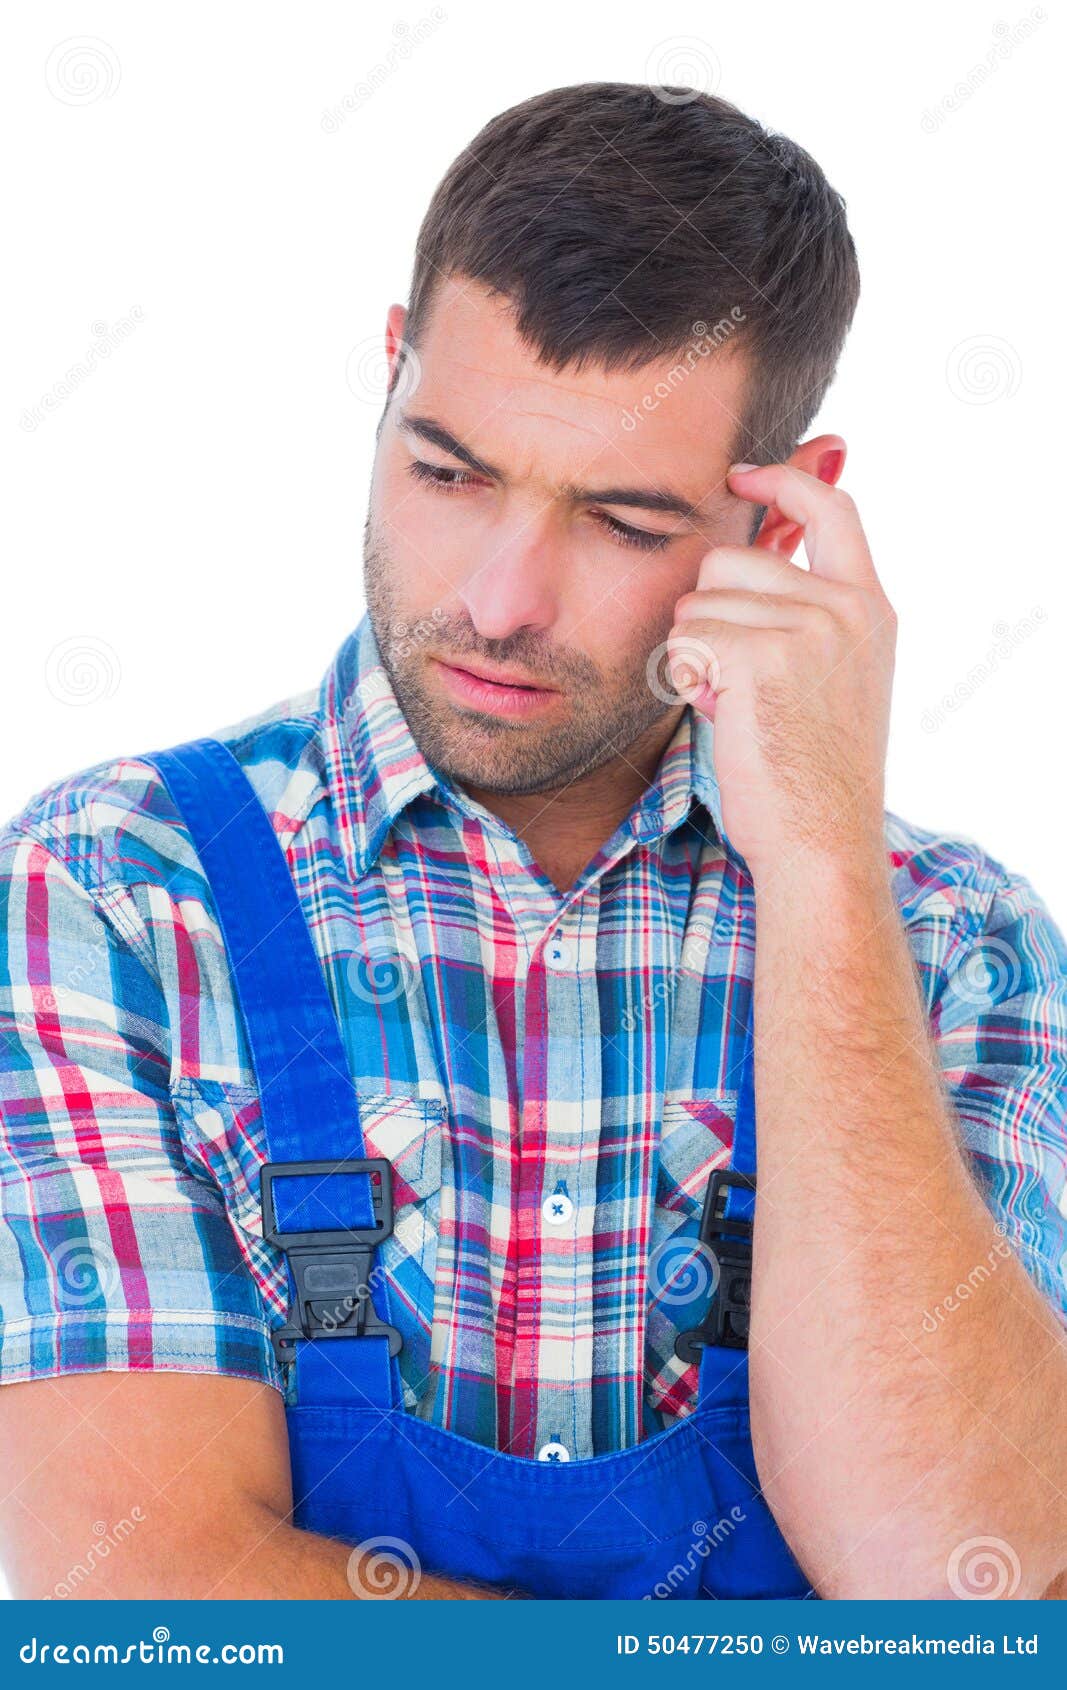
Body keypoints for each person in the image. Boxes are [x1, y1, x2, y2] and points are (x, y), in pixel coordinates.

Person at [1, 82, 1064, 1603]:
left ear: (782, 525)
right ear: (390, 374)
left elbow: (966, 1585)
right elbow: (165, 1600)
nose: (500, 598)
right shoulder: (114, 897)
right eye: (449, 470)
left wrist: (823, 870)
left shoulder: (956, 948)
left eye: (624, 520)